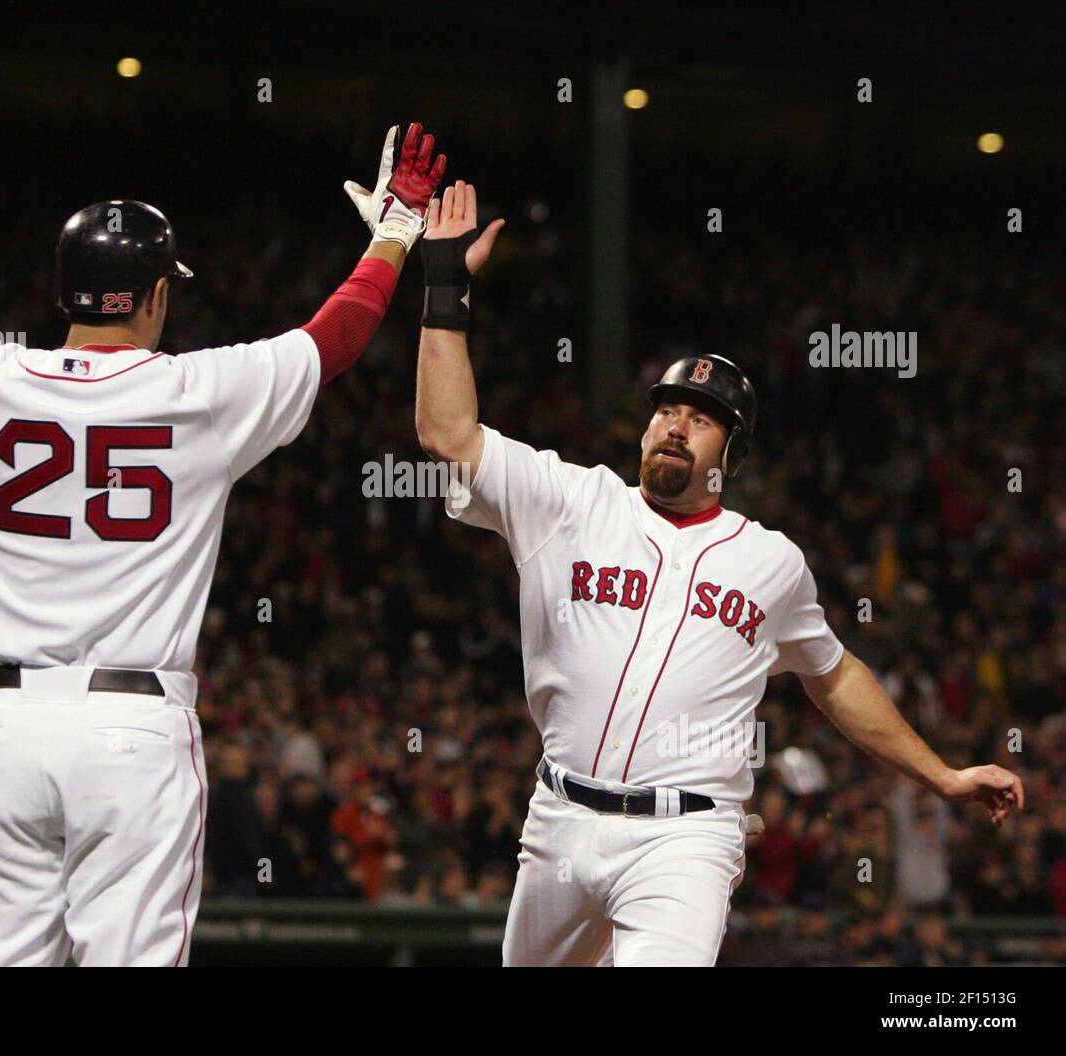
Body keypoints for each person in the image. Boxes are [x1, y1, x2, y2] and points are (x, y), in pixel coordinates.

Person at [0, 113, 445, 965]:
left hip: (5, 724)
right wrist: (395, 232)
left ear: (65, 292)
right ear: (158, 295)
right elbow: (333, 339)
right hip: (134, 732)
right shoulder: (201, 392)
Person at [413, 179, 1024, 967]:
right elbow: (446, 433)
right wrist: (443, 285)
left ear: (729, 458)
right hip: (559, 820)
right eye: (667, 409)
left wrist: (939, 775)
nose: (676, 425)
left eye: (702, 419)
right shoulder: (571, 500)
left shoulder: (771, 561)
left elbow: (833, 676)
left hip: (688, 834)